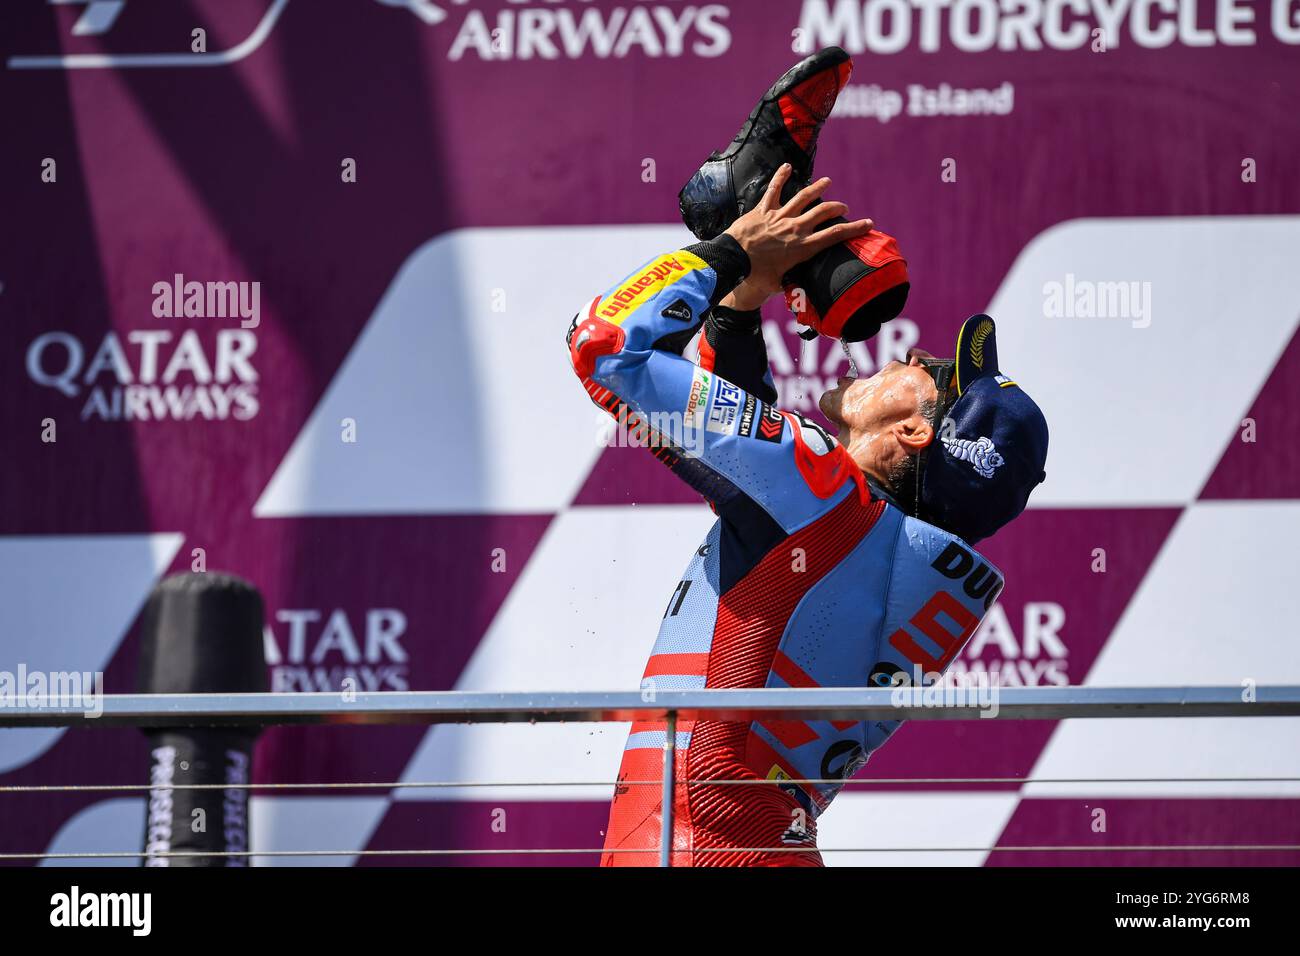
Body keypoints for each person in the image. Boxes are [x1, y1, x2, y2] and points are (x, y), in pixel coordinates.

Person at [566, 164, 1048, 867]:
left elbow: (604, 345)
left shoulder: (823, 498)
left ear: (915, 432)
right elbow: (748, 464)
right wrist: (738, 307)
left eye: (933, 374)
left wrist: (734, 251)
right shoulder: (883, 548)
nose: (914, 352)